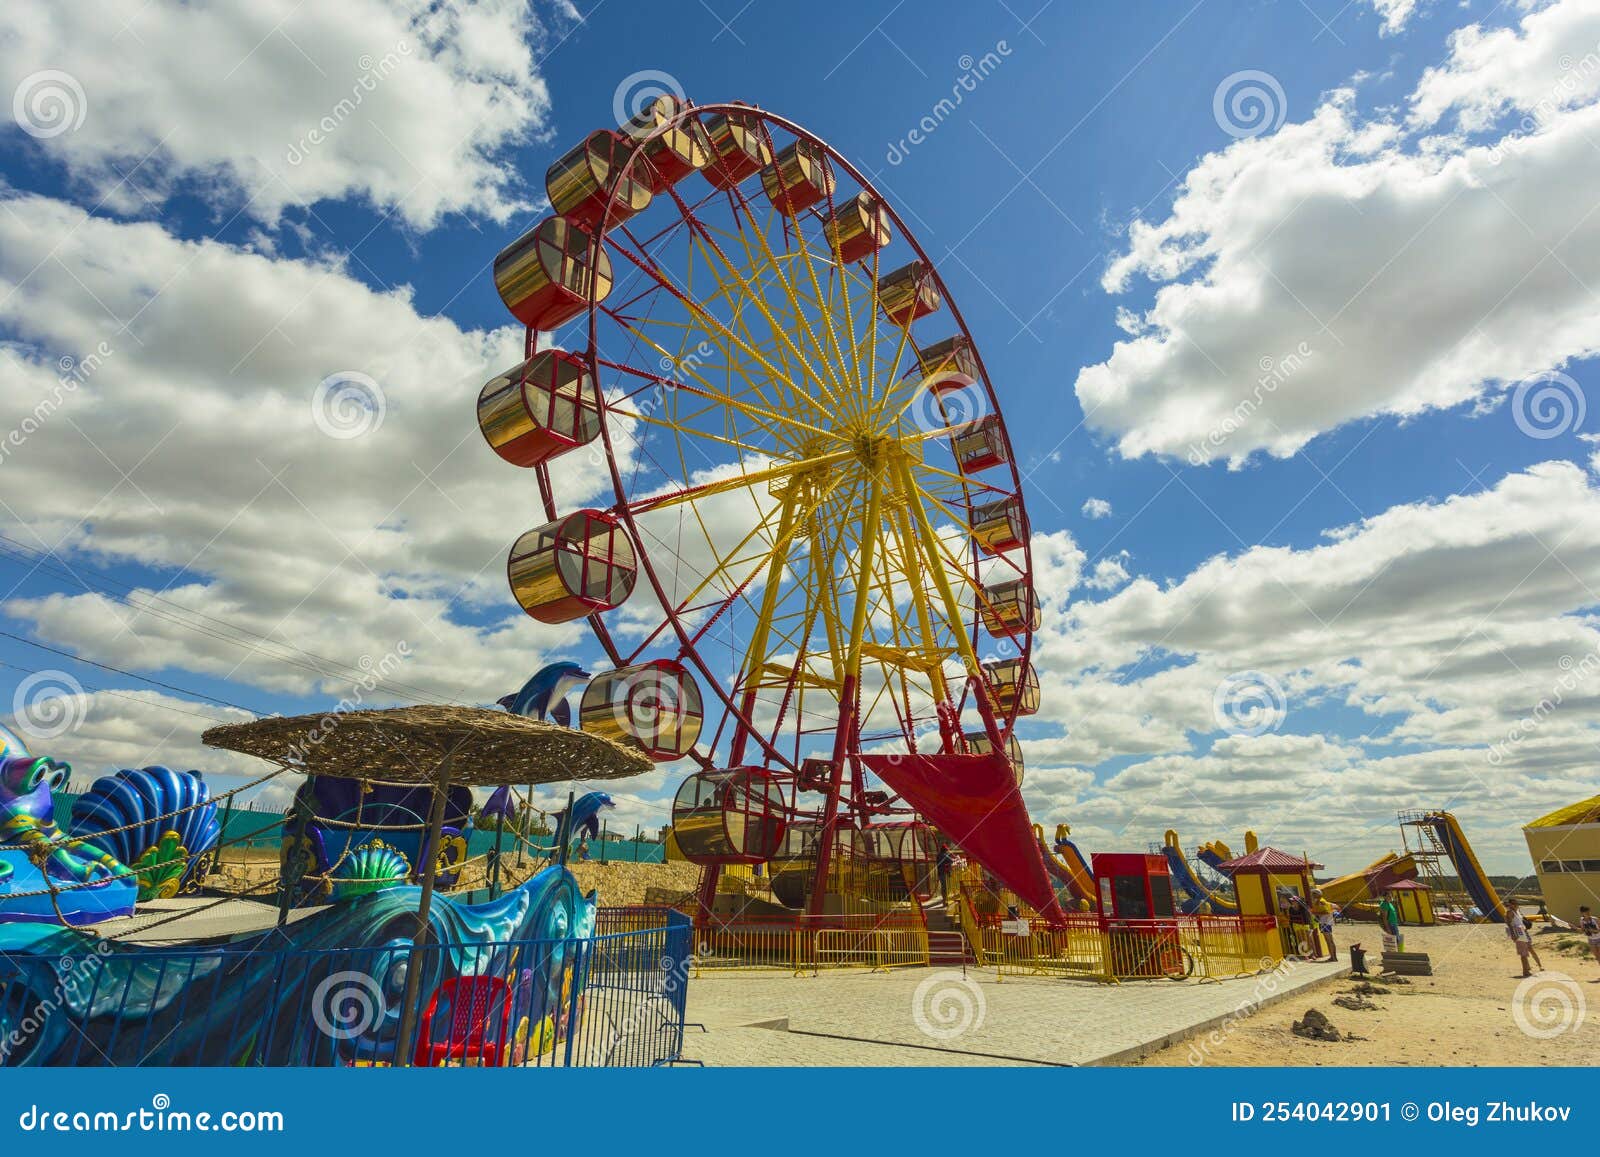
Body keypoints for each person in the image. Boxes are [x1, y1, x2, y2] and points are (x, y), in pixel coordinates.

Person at [1507, 908, 1543, 977]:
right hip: (1519, 933)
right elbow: (1509, 924)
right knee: (1524, 952)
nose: (1515, 905)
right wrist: (1513, 934)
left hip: (1524, 932)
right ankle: (1527, 969)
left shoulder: (1518, 911)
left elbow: (1522, 921)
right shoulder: (1509, 913)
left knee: (1530, 950)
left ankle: (1539, 966)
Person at [1310, 888, 1337, 962]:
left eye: (1312, 894)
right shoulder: (1320, 901)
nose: (1311, 896)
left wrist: (1315, 913)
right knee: (1329, 940)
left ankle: (1333, 957)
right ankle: (1333, 957)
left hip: (1325, 923)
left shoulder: (1321, 902)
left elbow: (1327, 911)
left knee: (1329, 941)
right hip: (1324, 922)